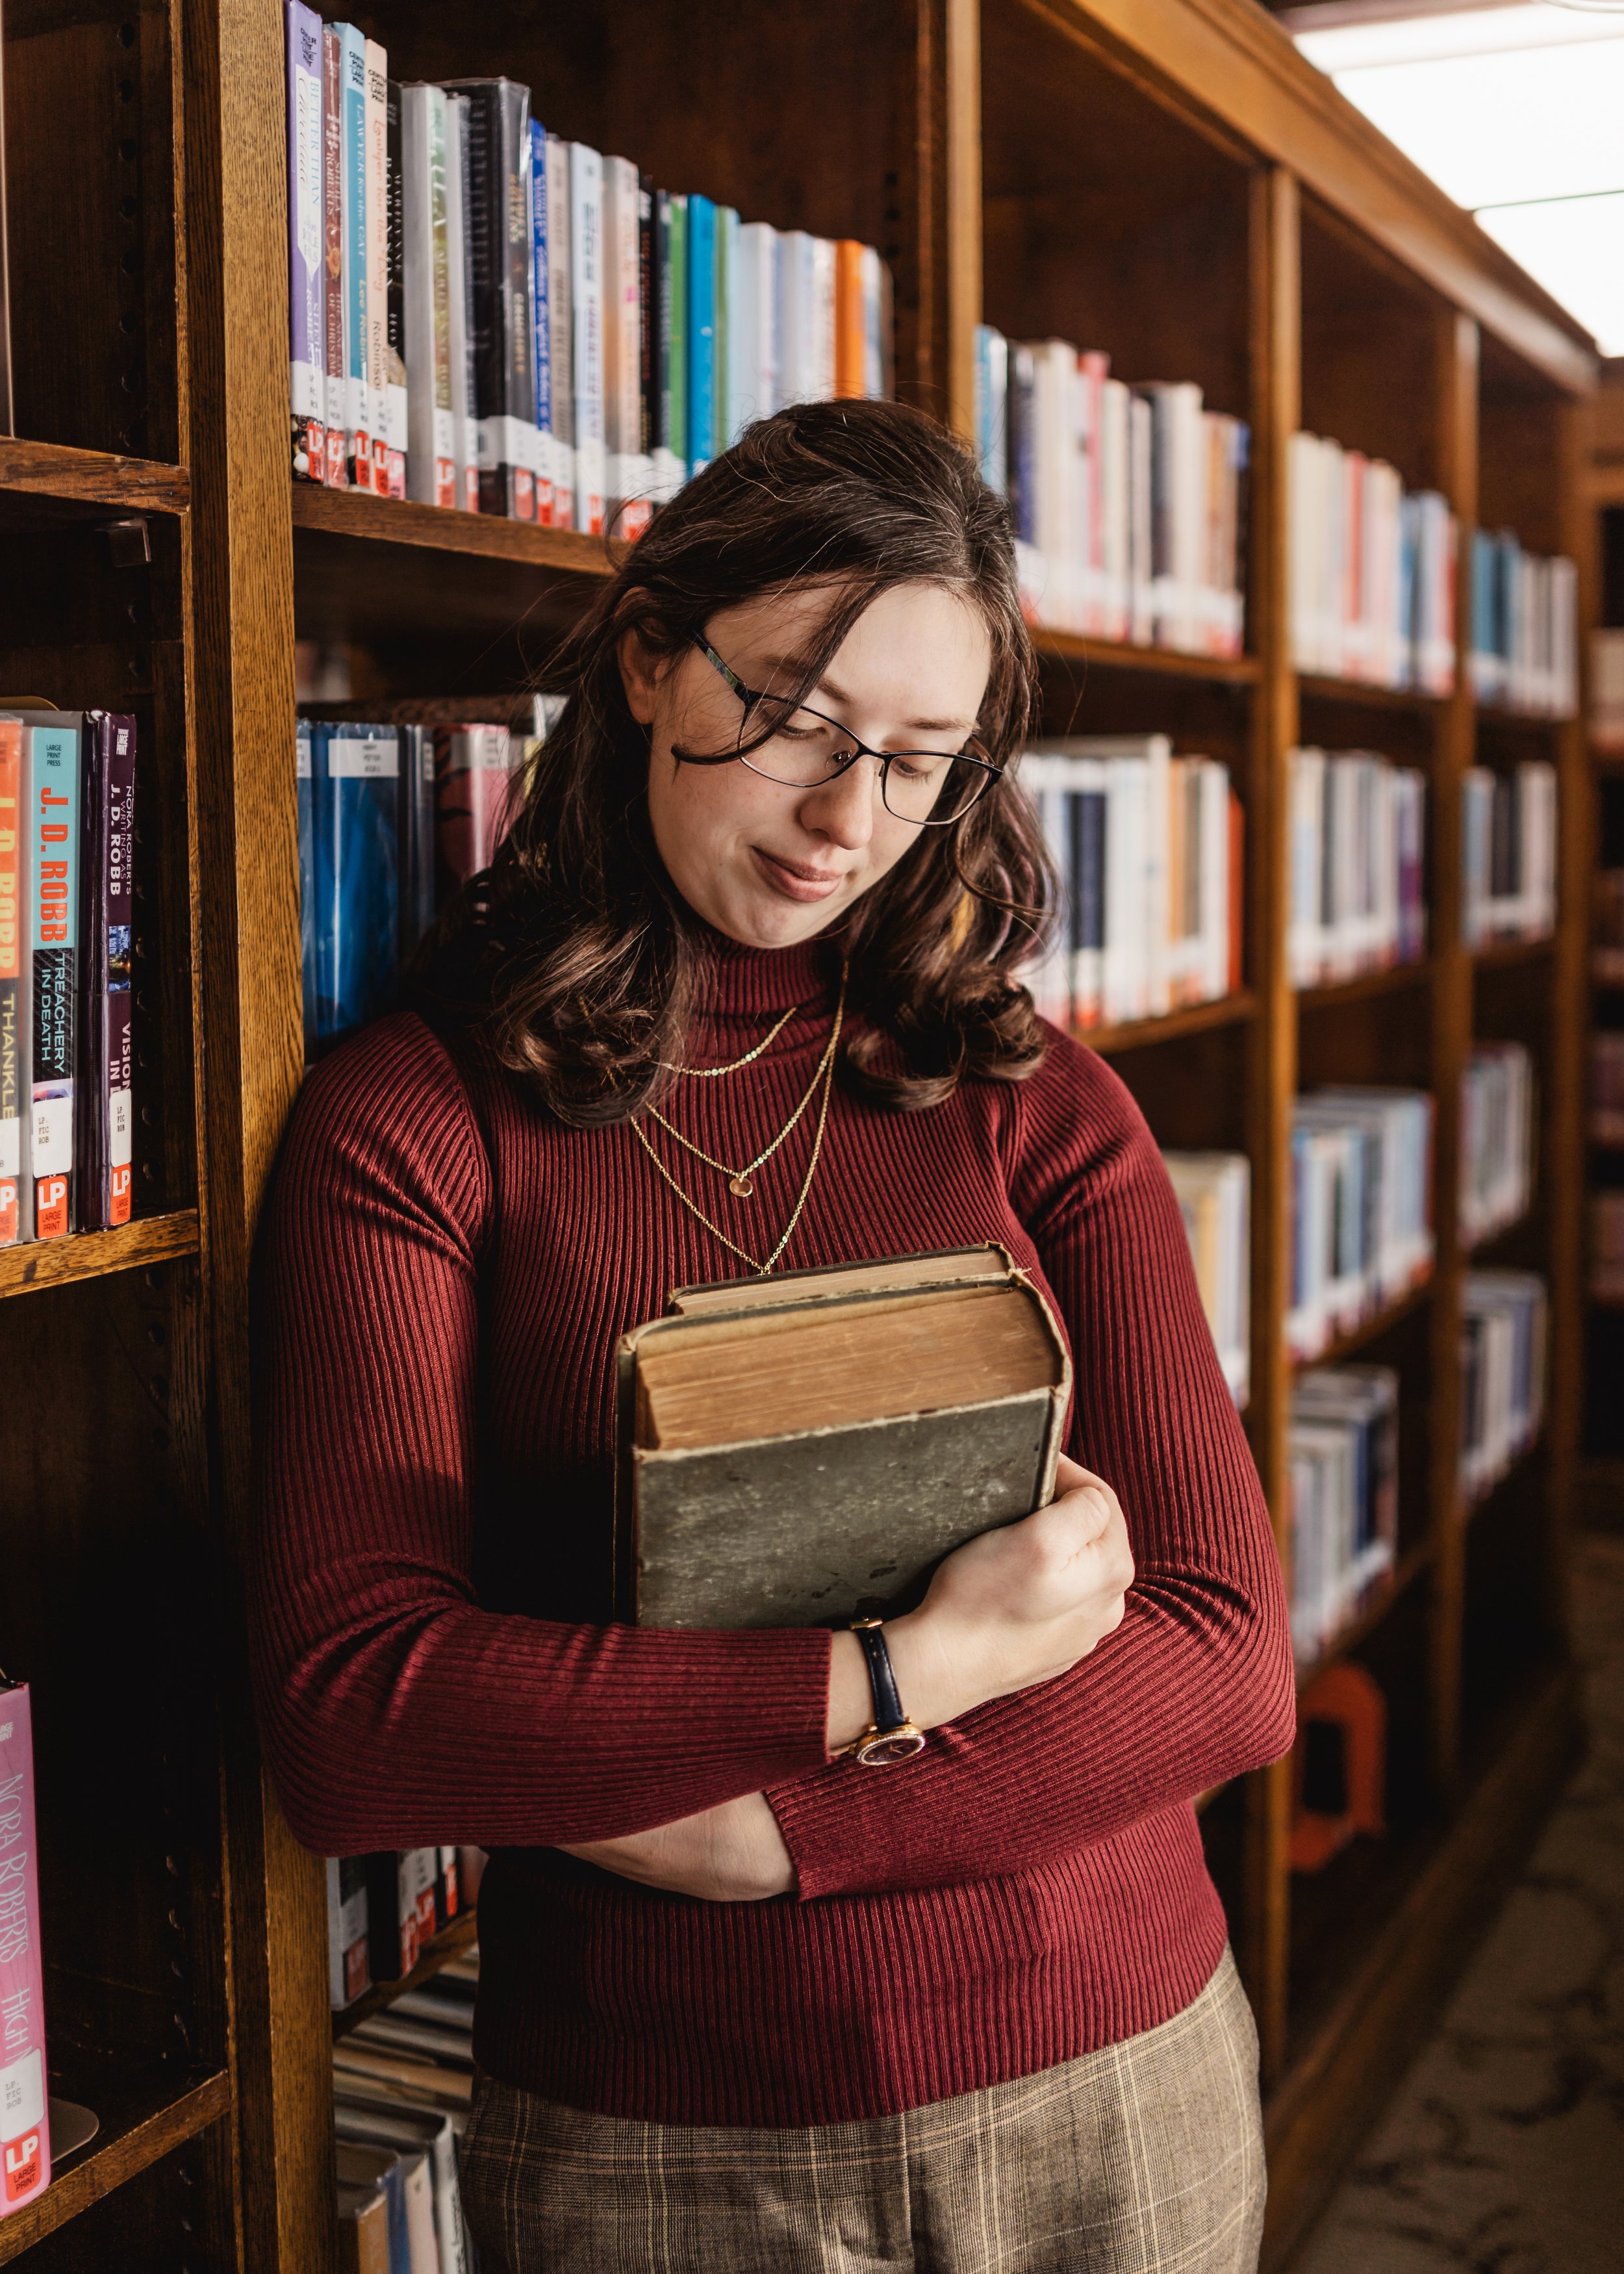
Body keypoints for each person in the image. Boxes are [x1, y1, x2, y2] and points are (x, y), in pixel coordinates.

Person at [251, 398, 1297, 2273]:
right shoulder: (414, 1118)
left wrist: (777, 1836)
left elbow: (1223, 1658)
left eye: (917, 761)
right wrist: (894, 1674)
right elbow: (357, 1707)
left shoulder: (1031, 1100)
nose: (844, 821)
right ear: (650, 655)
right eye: (800, 722)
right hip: (661, 2125)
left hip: (1113, 2063)